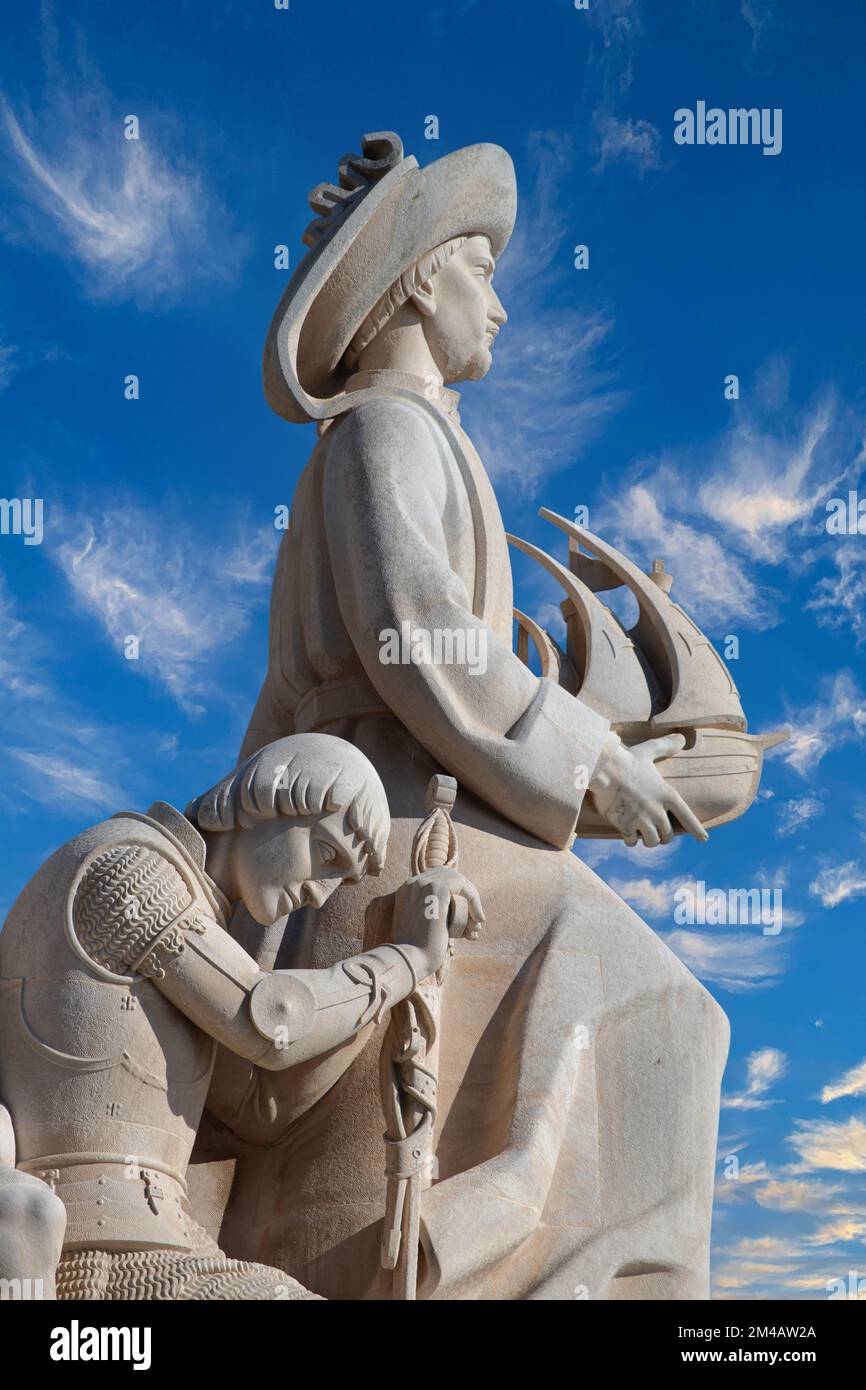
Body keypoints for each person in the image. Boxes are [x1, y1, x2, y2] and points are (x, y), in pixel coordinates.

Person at [207, 133, 729, 1301]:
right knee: (662, 1005)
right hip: (381, 811)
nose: (499, 303)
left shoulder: (408, 438)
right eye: (481, 271)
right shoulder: (385, 433)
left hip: (406, 793)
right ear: (421, 279)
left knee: (653, 1003)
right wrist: (590, 765)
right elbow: (419, 641)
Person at [0, 733, 480, 1300]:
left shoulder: (192, 914)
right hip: (105, 1257)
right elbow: (269, 1022)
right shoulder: (129, 867)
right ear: (266, 799)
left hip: (153, 1248)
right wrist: (407, 956)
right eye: (326, 855)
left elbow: (256, 1106)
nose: (320, 896)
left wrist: (381, 997)